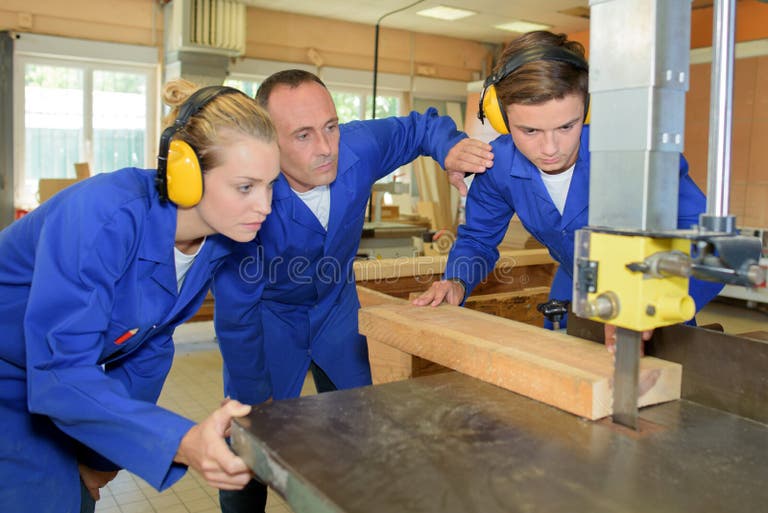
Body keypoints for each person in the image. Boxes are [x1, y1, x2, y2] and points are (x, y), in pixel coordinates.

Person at [212, 69, 494, 512]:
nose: (325, 148)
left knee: (361, 427)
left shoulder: (358, 148)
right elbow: (234, 310)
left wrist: (451, 147)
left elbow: (418, 127)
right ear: (269, 143)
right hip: (267, 317)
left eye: (330, 127)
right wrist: (251, 391)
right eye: (302, 136)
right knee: (246, 445)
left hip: (335, 308)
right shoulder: (242, 197)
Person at [0, 78, 281, 513]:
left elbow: (148, 349)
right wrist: (182, 442)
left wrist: (103, 458)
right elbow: (60, 373)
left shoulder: (218, 240)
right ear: (183, 173)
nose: (264, 205)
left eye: (270, 185)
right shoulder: (101, 217)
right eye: (245, 187)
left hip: (60, 375)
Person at [413, 30, 723, 345]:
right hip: (573, 291)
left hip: (654, 295)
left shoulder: (636, 155)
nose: (550, 148)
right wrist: (457, 281)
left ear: (587, 110)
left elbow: (712, 246)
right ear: (502, 118)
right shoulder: (499, 167)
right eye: (529, 130)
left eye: (566, 126)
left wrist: (652, 304)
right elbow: (478, 240)